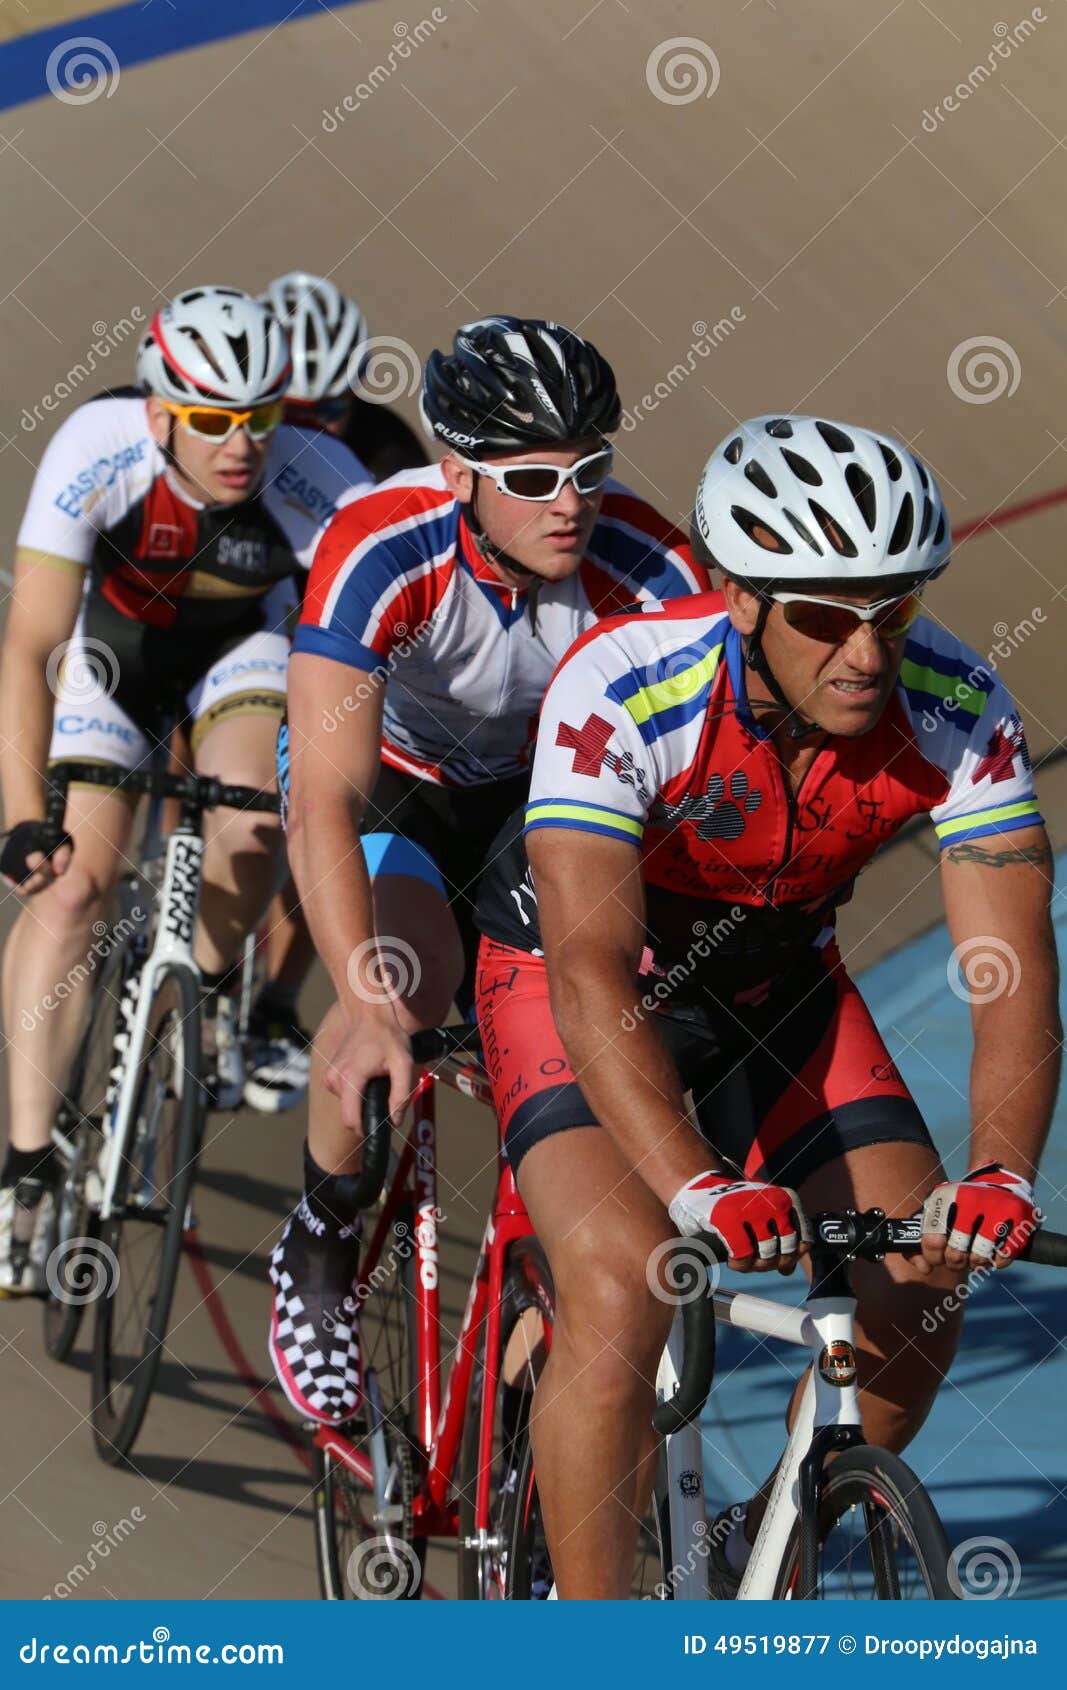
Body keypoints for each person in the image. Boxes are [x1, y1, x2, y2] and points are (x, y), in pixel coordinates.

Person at [472, 414, 1060, 1599]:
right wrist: (699, 1182)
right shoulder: (630, 683)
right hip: (576, 977)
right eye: (824, 615)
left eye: (888, 611)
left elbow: (1011, 974)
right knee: (630, 1275)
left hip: (774, 983)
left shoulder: (951, 705)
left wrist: (997, 1170)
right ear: (740, 597)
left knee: (920, 1270)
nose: (862, 652)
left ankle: (770, 1529)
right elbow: (591, 975)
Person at [267, 315, 711, 1423]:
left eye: (589, 467)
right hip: (396, 787)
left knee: (596, 1029)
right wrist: (366, 1001)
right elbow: (322, 797)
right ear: (456, 469)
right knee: (405, 981)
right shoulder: (384, 544)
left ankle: (535, 1352)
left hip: (542, 806)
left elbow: (689, 785)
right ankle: (321, 1243)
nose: (570, 500)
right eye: (532, 475)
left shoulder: (648, 568)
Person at [0, 285, 369, 1296]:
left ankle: (192, 1003)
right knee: (71, 887)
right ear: (160, 410)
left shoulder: (318, 477)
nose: (240, 442)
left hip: (238, 648)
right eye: (212, 420)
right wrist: (22, 814)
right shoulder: (95, 445)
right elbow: (30, 645)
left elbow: (371, 647)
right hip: (113, 653)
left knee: (252, 825)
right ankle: (26, 1158)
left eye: (258, 416)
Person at [241, 273, 430, 1115]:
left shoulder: (385, 450)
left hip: (318, 628)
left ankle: (273, 1000)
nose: (314, 432)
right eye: (299, 414)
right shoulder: (246, 436)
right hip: (236, 605)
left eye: (332, 413)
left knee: (311, 811)